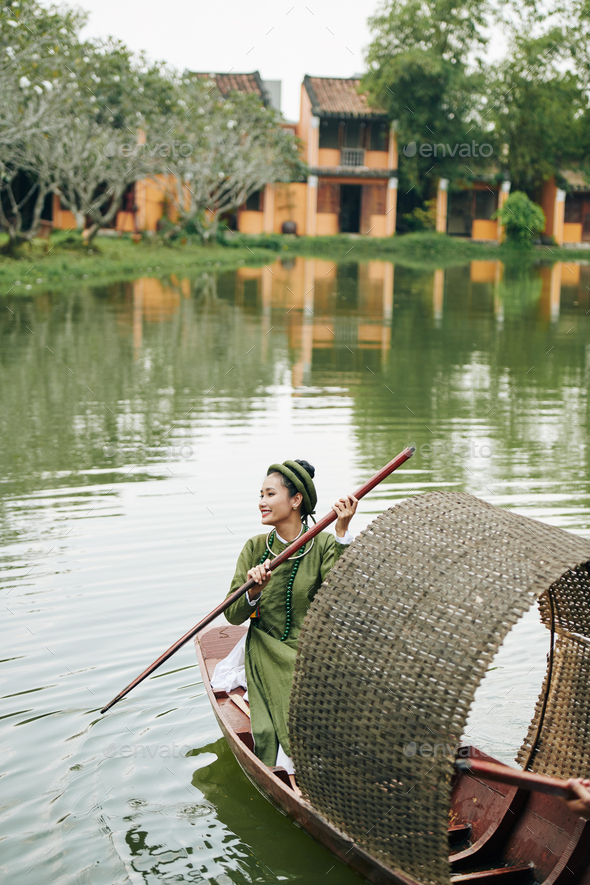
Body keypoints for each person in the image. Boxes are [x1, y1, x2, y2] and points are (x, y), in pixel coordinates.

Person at [220, 459, 357, 784]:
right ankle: (302, 780)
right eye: (261, 494)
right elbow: (232, 614)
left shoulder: (324, 544)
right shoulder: (255, 548)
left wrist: (341, 533)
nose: (262, 502)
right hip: (266, 647)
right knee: (277, 722)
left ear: (295, 500)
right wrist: (253, 590)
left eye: (270, 494)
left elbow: (338, 600)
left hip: (312, 647)